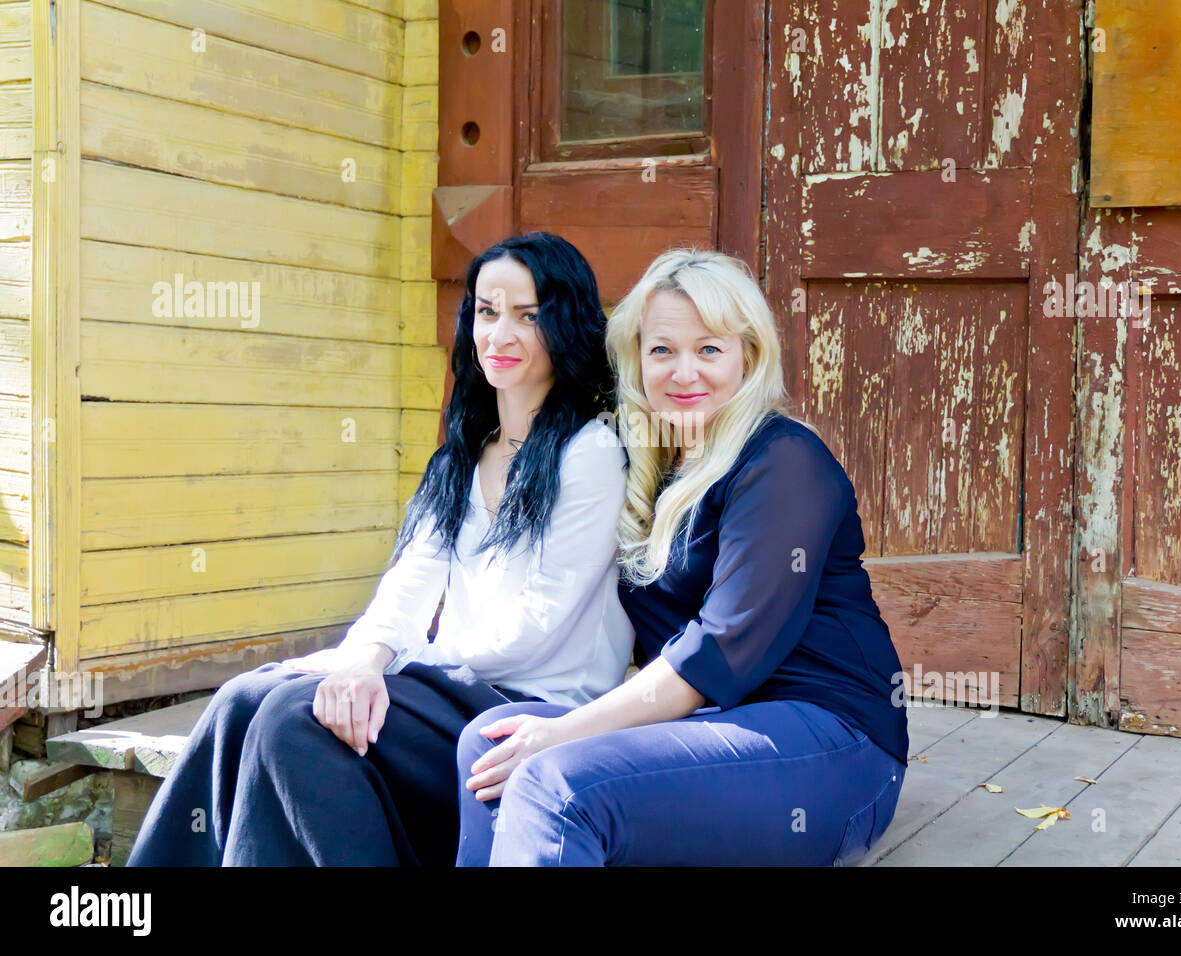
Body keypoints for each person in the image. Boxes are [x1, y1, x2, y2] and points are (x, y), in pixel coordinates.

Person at [127, 232, 634, 866]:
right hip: (453, 685)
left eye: (527, 316)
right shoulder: (465, 453)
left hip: (531, 704)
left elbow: (535, 629)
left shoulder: (589, 455)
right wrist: (362, 657)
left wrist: (387, 670)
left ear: (563, 325)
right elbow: (410, 582)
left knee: (295, 721)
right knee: (240, 701)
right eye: (485, 311)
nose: (499, 334)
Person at [454, 248, 910, 866]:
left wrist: (564, 730)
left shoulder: (783, 461)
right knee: (490, 743)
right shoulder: (651, 467)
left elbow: (719, 652)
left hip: (832, 740)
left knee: (553, 782)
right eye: (663, 350)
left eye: (709, 350)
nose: (684, 372)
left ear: (748, 357)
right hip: (713, 730)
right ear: (637, 361)